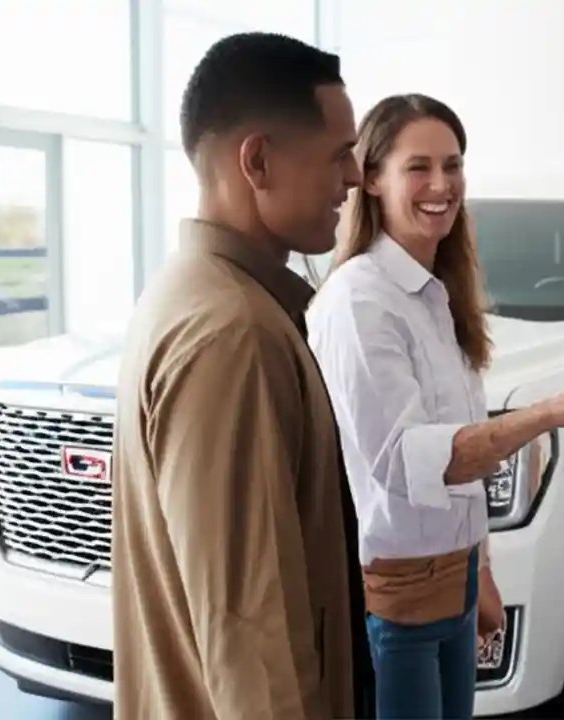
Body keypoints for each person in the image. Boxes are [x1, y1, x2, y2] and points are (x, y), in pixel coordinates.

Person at [306, 93, 564, 719]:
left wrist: (479, 569)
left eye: (453, 165)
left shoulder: (438, 296)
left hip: (453, 581)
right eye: (419, 167)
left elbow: (458, 441)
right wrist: (552, 410)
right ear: (372, 179)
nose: (442, 185)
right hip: (397, 596)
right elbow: (410, 461)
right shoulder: (359, 302)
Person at [111, 33, 374, 719]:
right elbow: (250, 639)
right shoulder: (235, 336)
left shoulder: (197, 294)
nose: (353, 178)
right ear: (257, 160)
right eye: (339, 154)